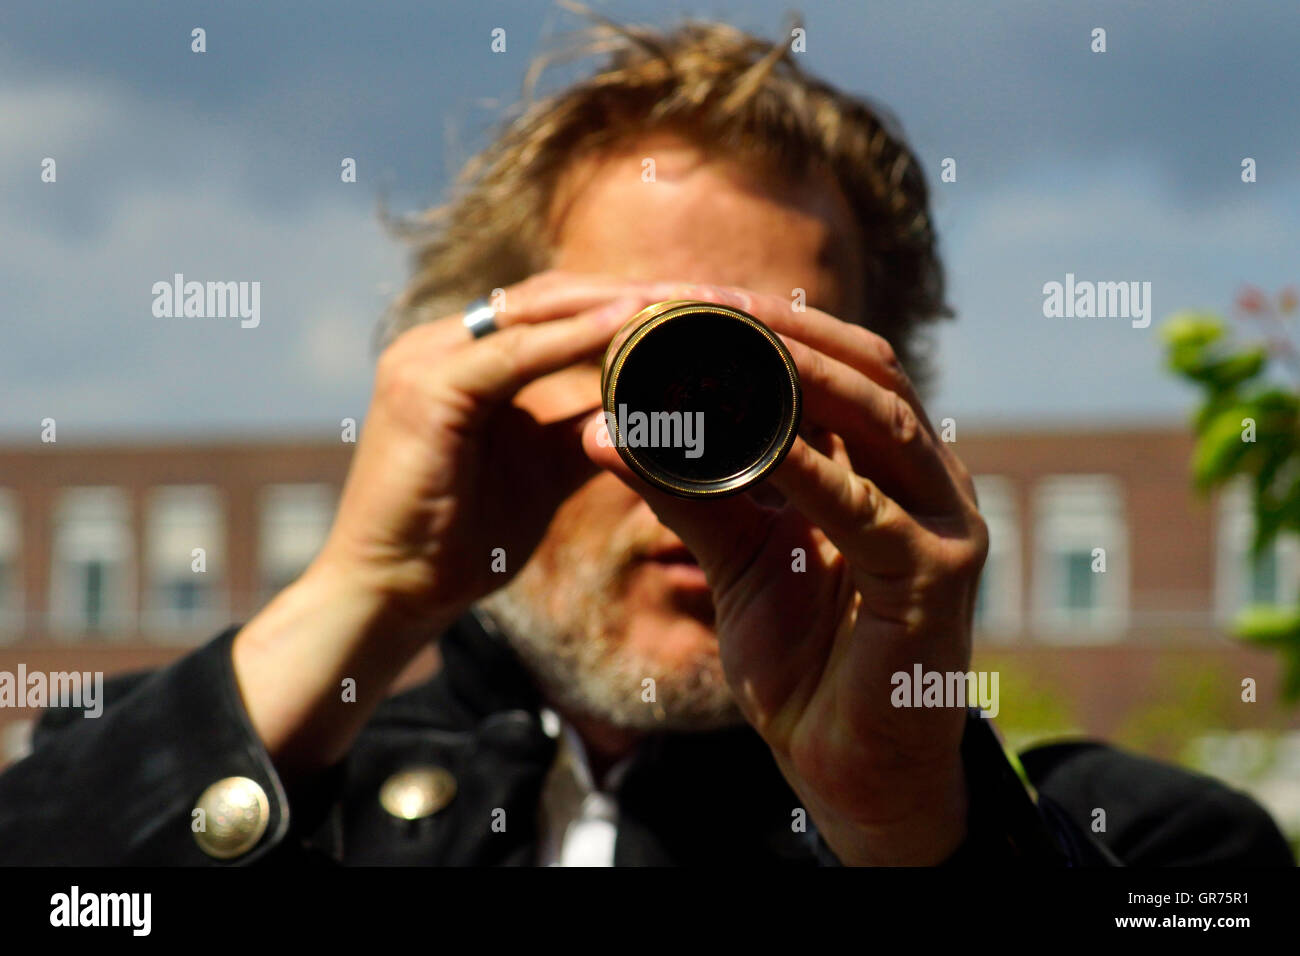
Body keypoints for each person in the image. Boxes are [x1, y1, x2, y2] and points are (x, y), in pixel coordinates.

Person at [0, 13, 1291, 867]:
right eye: (635, 373)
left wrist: (908, 826)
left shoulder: (1145, 846)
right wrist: (362, 592)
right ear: (483, 388)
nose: (694, 468)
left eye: (764, 384)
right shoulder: (296, 780)